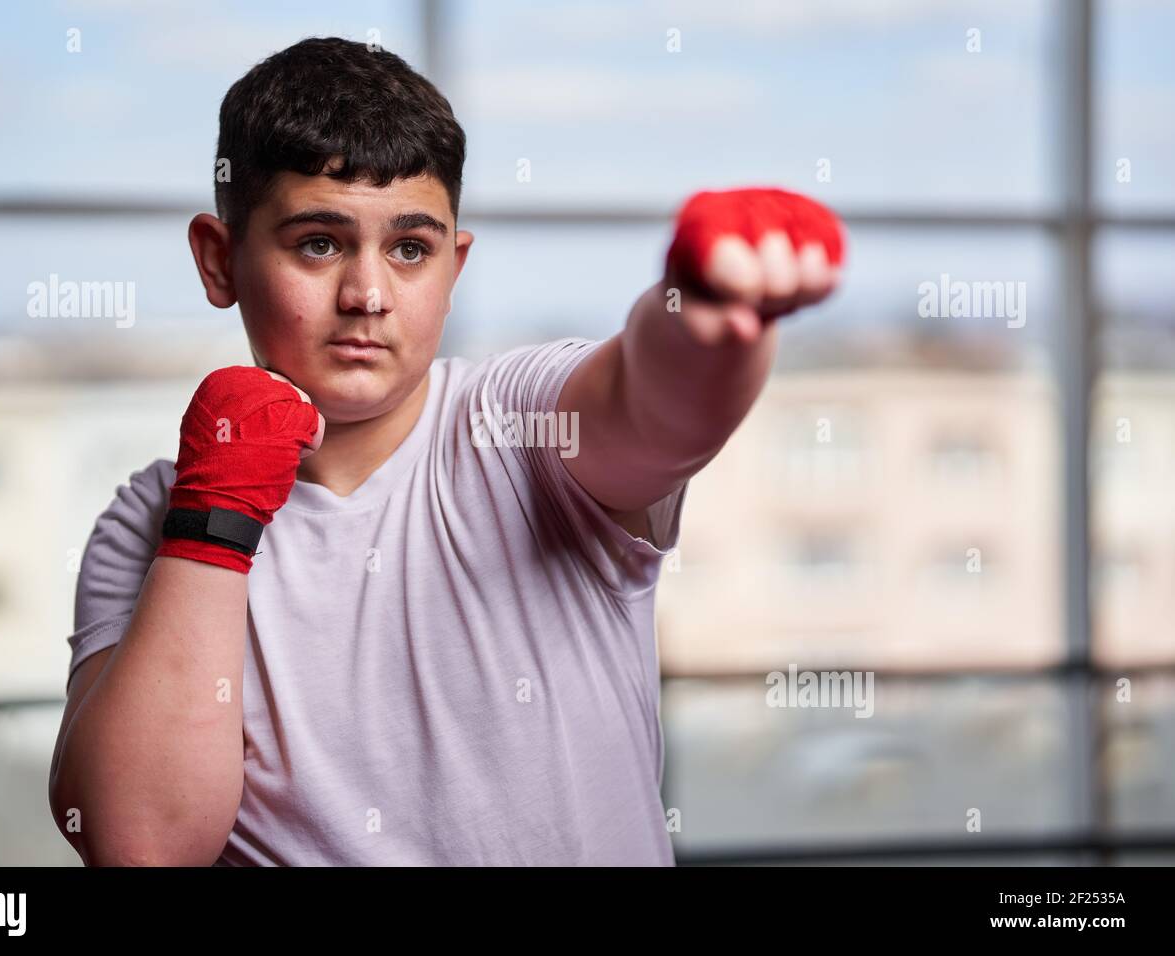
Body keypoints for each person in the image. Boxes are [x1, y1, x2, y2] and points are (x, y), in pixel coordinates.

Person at [47, 35, 843, 866]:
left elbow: (652, 410)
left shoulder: (516, 423)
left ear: (453, 266)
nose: (367, 295)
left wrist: (706, 317)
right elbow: (140, 844)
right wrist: (215, 517)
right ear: (220, 260)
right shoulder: (147, 519)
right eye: (318, 242)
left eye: (409, 249)